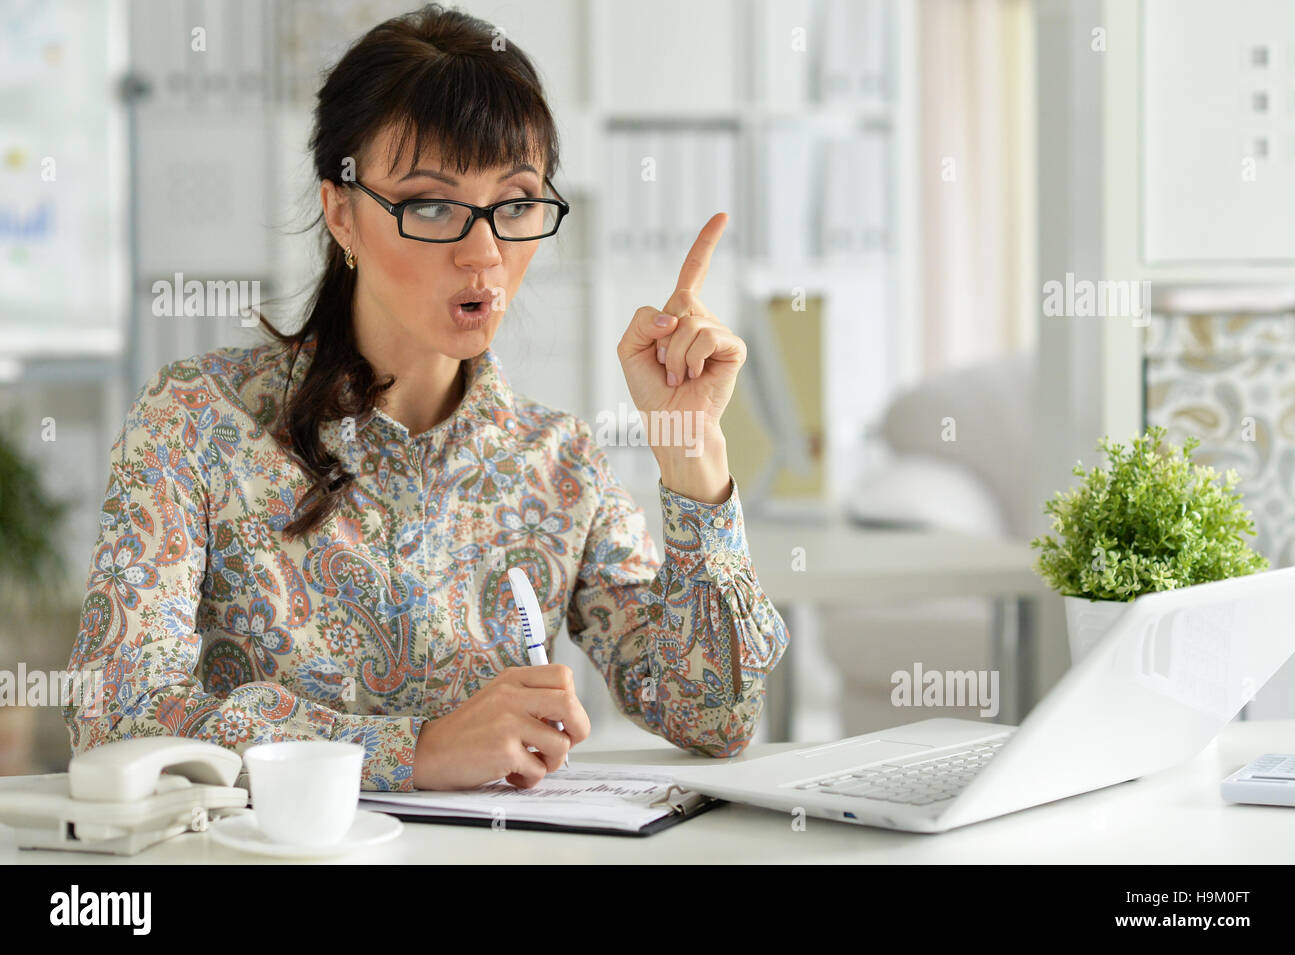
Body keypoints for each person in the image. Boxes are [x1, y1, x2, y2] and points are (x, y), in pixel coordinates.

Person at [63, 3, 789, 792]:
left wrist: (693, 457)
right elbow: (117, 716)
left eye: (515, 203)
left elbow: (712, 718)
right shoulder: (196, 422)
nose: (484, 252)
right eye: (433, 204)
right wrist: (418, 749)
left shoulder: (560, 464)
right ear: (342, 212)